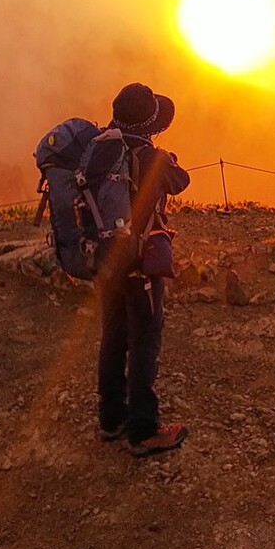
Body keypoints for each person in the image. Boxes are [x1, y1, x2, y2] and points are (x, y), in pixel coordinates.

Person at [96, 82, 191, 457]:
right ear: (149, 124)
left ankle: (111, 418)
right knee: (145, 339)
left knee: (114, 334)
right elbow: (181, 182)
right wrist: (165, 155)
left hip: (107, 259)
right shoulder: (154, 158)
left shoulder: (101, 147)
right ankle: (143, 429)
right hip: (141, 261)